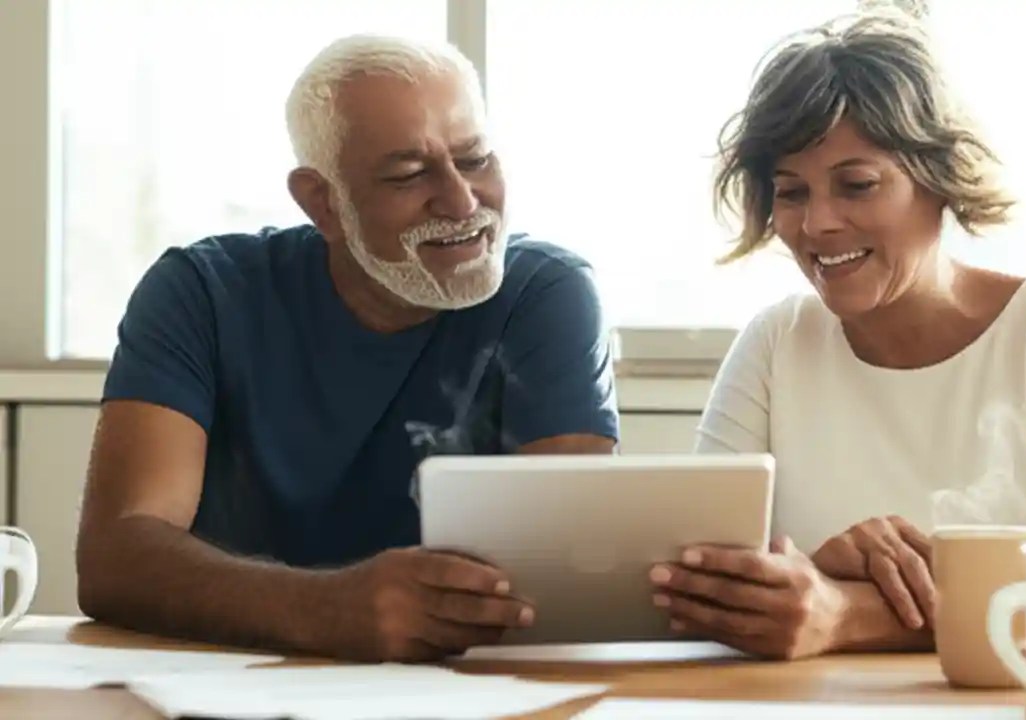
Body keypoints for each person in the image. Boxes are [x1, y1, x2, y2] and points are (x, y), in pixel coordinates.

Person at [76, 35, 619, 662]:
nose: (463, 202)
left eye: (474, 160)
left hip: (465, 686)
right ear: (322, 202)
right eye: (409, 174)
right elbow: (115, 558)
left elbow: (577, 566)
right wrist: (322, 608)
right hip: (226, 683)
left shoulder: (547, 293)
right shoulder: (202, 293)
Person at [649, 5, 1026, 659]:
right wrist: (816, 575)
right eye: (792, 193)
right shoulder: (775, 343)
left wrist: (849, 613)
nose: (817, 223)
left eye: (856, 185)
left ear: (939, 182)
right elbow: (697, 586)